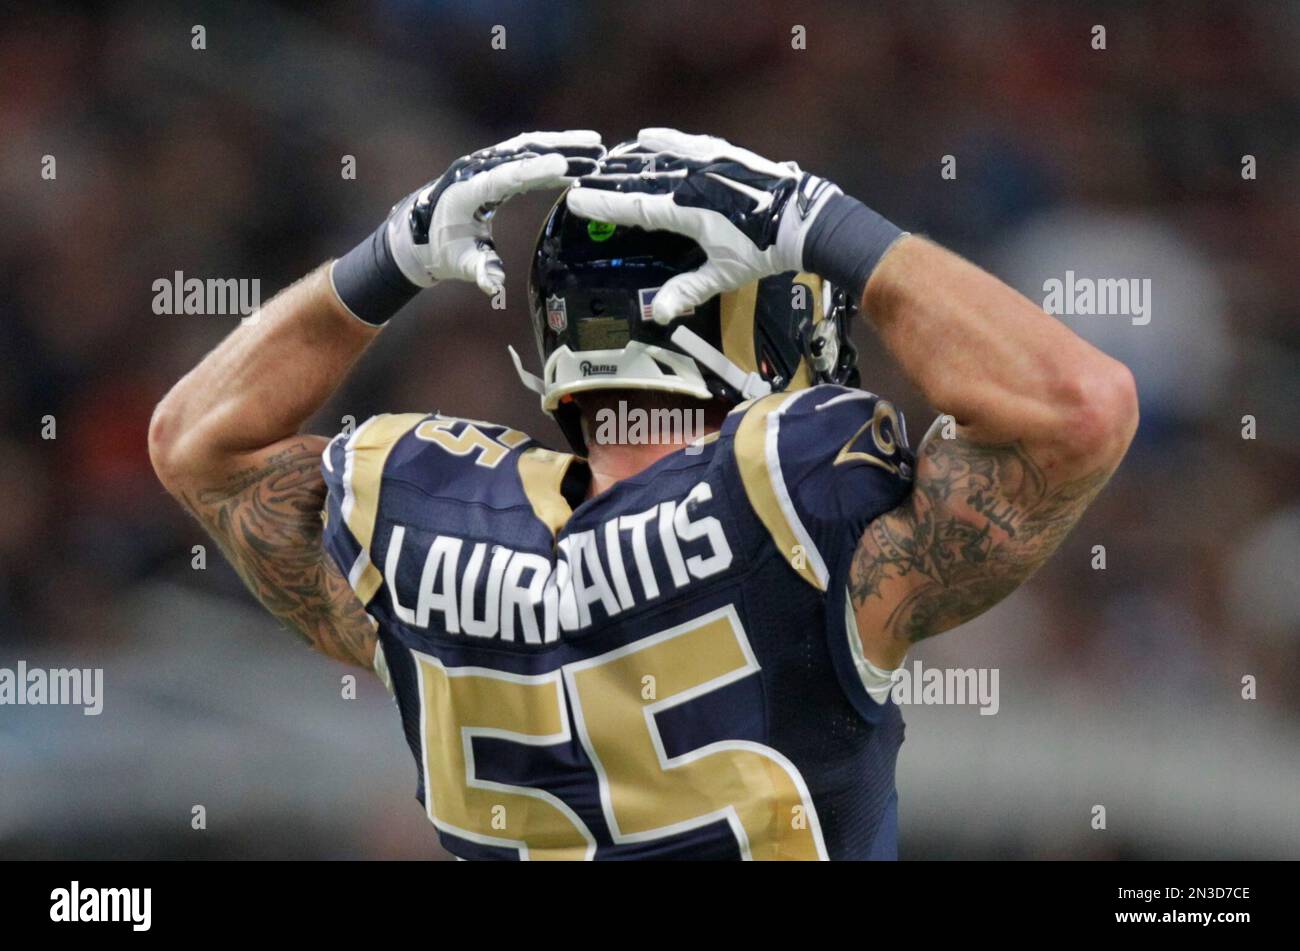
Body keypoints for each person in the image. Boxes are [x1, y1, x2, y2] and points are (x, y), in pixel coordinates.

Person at [148, 128, 1138, 860]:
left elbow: (194, 442)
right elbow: (1079, 409)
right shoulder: (799, 502)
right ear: (757, 327)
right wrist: (819, 222)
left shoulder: (403, 522)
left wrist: (388, 261)